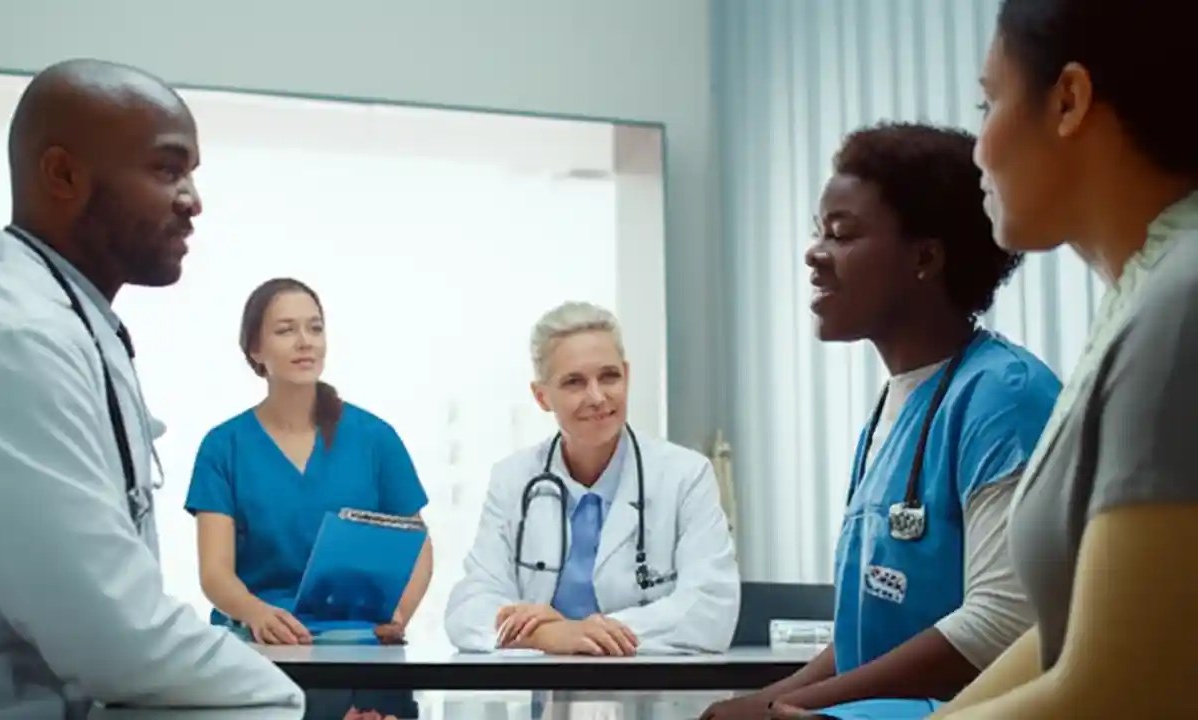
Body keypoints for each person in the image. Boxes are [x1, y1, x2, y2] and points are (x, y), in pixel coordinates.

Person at [0, 59, 304, 718]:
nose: (192, 199)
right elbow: (114, 635)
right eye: (166, 169)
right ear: (63, 174)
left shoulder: (72, 327)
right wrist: (281, 700)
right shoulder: (3, 332)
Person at [703, 123, 1061, 720]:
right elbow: (866, 636)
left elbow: (1003, 626)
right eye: (818, 233)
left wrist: (785, 709)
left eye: (840, 234)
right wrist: (768, 700)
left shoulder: (1005, 398)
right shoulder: (891, 414)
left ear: (925, 257)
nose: (815, 255)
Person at [931, 2, 1198, 717]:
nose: (978, 147)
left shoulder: (1182, 304)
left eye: (989, 102)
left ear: (1070, 100)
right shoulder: (1148, 293)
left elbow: (1122, 689)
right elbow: (1071, 633)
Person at [186, 277, 432, 718]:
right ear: (255, 351)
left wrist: (398, 615)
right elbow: (214, 573)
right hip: (261, 656)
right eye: (285, 330)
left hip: (362, 656)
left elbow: (418, 546)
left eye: (315, 328)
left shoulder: (375, 439)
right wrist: (256, 613)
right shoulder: (224, 447)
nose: (305, 342)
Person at [444, 301, 739, 656]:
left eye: (609, 376)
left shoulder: (685, 476)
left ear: (627, 376)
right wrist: (547, 637)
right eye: (574, 382)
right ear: (542, 397)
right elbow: (468, 609)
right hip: (548, 703)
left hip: (657, 698)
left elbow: (710, 611)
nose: (597, 397)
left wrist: (577, 633)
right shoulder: (514, 480)